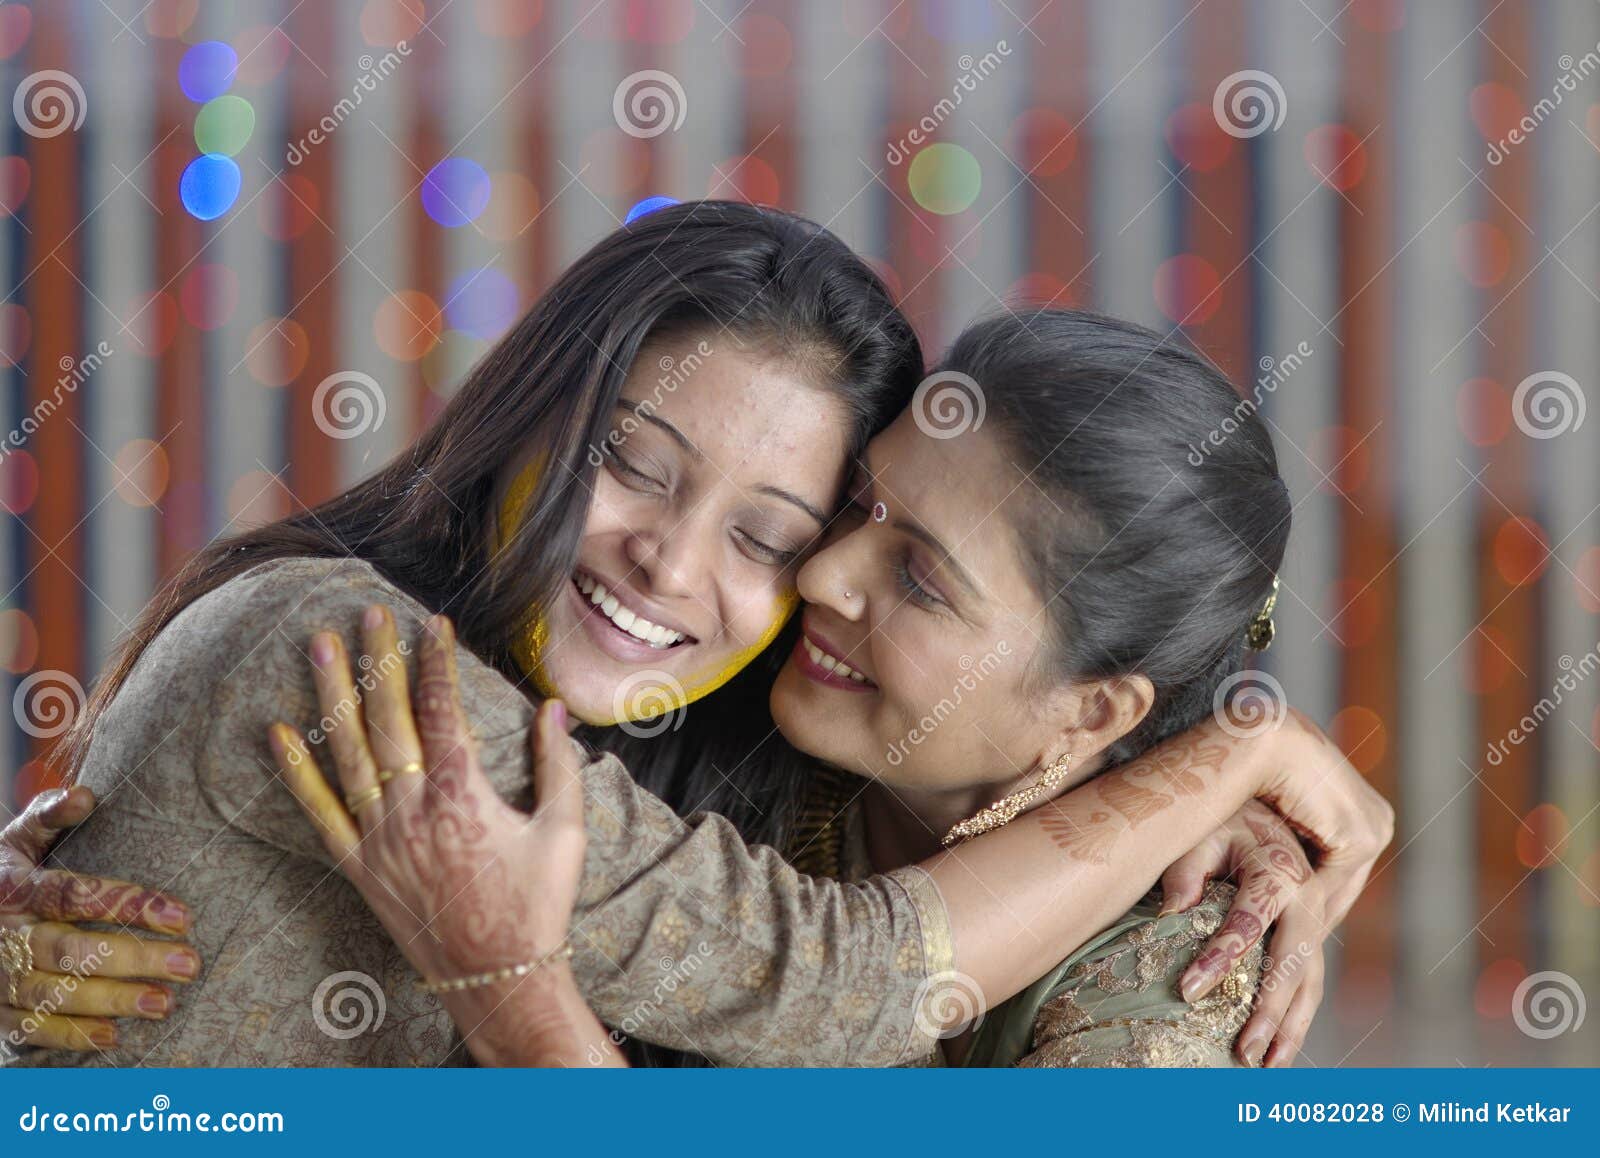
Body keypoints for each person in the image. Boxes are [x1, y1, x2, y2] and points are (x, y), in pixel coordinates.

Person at [0, 204, 1390, 1065]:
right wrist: (1219, 759)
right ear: (530, 410)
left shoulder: (690, 768)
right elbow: (844, 975)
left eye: (774, 533)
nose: (668, 561)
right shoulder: (352, 661)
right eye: (635, 459)